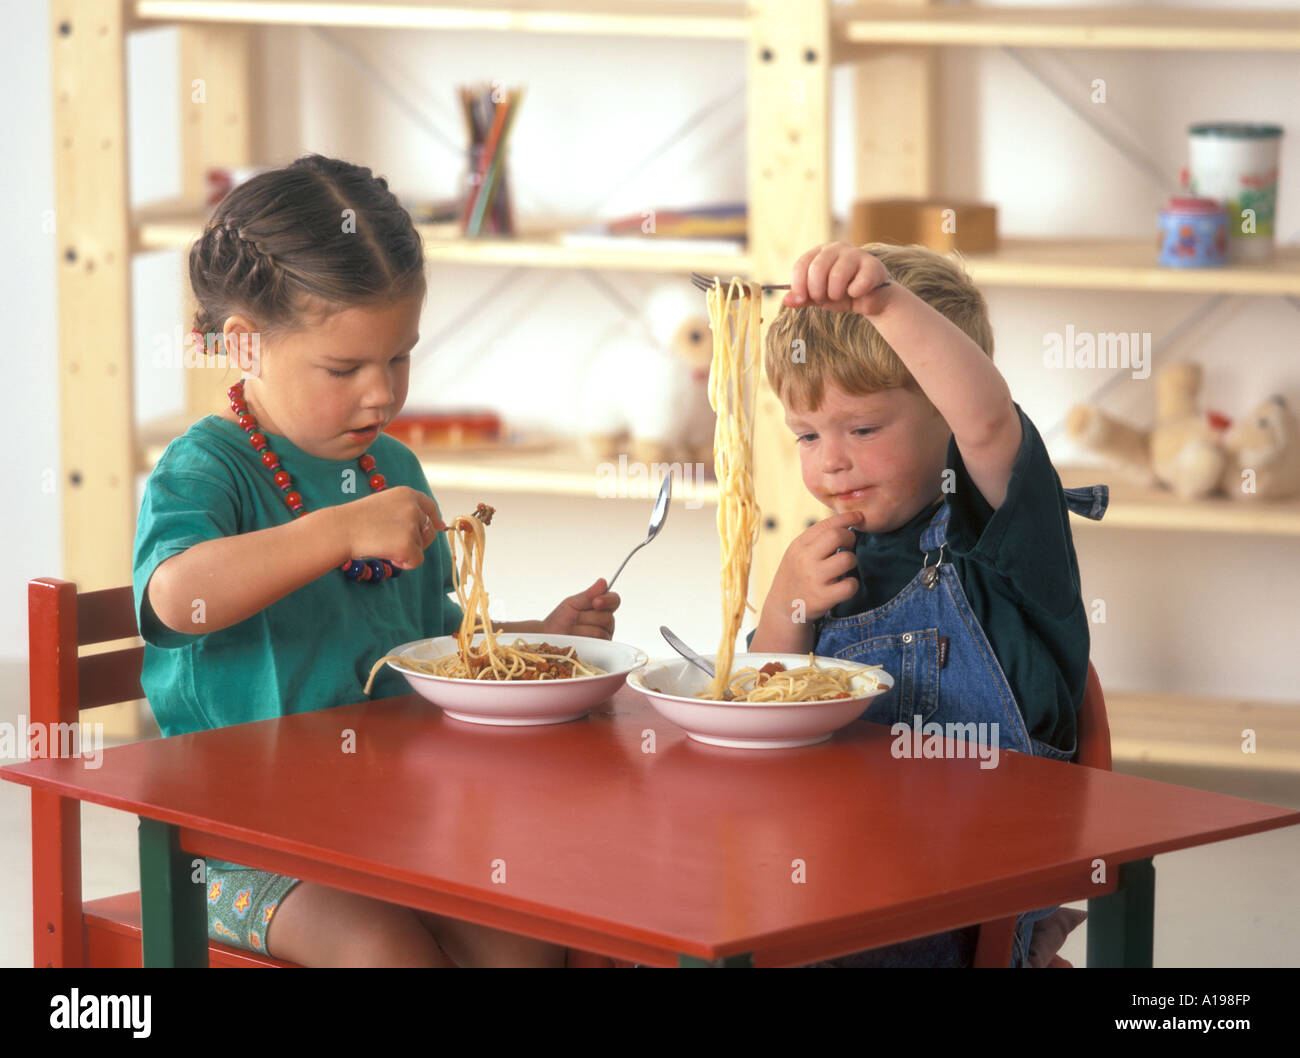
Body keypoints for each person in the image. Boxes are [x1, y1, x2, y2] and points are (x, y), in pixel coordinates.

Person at [133, 154, 620, 967]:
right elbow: (171, 602)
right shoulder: (206, 468)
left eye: (399, 358)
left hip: (390, 820)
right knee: (385, 956)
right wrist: (339, 530)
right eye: (345, 367)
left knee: (529, 944)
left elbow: (427, 644)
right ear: (244, 346)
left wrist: (536, 638)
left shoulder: (395, 470)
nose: (381, 394)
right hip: (232, 844)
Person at [749, 241, 1105, 967]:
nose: (830, 460)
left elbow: (986, 420)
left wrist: (882, 304)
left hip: (972, 887)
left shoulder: (999, 528)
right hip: (838, 868)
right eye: (807, 435)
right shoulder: (824, 553)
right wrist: (785, 603)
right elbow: (763, 703)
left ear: (941, 412)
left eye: (864, 429)